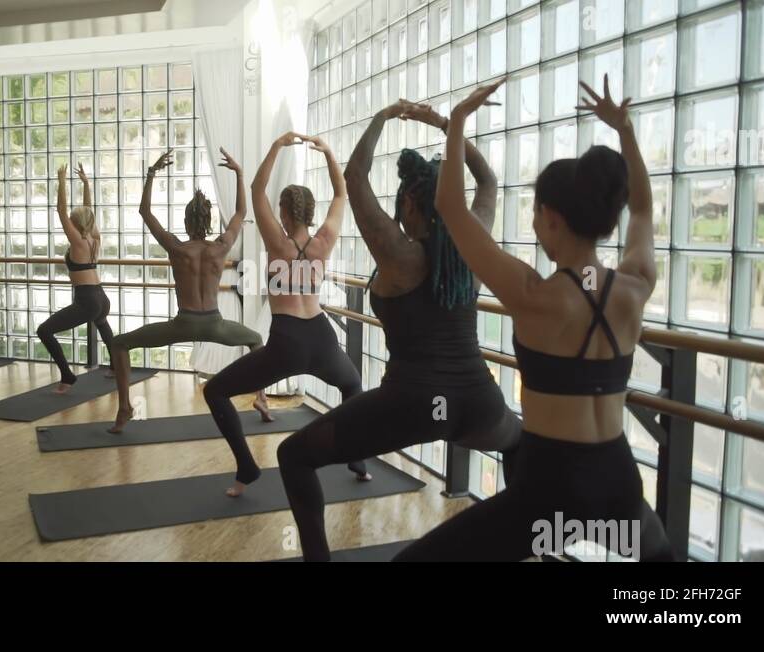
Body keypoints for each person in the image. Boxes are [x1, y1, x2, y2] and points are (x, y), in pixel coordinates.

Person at [394, 76, 670, 561]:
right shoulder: (634, 288)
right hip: (616, 481)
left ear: (552, 218)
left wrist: (456, 121)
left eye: (537, 211)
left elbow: (451, 208)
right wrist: (624, 131)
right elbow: (643, 208)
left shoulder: (533, 295)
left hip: (551, 489)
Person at [276, 100, 522, 561]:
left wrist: (385, 115)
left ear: (409, 201)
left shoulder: (399, 253)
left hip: (411, 406)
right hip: (478, 404)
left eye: (402, 202)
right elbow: (488, 180)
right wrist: (448, 127)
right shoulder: (473, 243)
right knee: (522, 443)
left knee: (293, 456)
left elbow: (354, 177)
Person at [203, 132, 371, 498]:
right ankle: (357, 459)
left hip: (288, 342)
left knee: (215, 392)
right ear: (309, 213)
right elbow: (341, 194)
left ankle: (247, 468)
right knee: (352, 386)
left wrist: (277, 145)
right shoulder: (324, 241)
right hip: (322, 337)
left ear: (283, 211)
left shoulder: (276, 242)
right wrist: (328, 153)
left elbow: (256, 188)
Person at [109, 147, 269, 433]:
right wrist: (240, 173)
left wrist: (152, 173)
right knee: (256, 340)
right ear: (208, 223)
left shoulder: (176, 247)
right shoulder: (220, 247)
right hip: (214, 324)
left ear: (186, 222)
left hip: (182, 324)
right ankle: (262, 400)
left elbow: (144, 212)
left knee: (120, 343)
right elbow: (242, 212)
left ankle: (124, 409)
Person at [35, 164, 116, 394]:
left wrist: (61, 181)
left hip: (87, 300)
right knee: (102, 324)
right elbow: (88, 211)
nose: (68, 222)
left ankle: (68, 377)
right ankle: (116, 366)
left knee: (44, 331)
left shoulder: (79, 242)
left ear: (76, 224)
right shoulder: (94, 238)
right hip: (101, 297)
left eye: (72, 221)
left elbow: (61, 211)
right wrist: (86, 184)